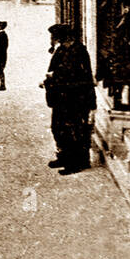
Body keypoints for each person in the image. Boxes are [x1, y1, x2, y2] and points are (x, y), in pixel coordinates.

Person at [42, 23, 95, 174]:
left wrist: (54, 76)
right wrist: (49, 79)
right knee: (58, 128)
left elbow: (72, 74)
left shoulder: (78, 51)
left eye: (54, 36)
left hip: (76, 98)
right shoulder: (62, 50)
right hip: (61, 97)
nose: (52, 39)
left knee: (74, 130)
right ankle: (64, 156)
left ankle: (77, 163)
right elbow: (55, 68)